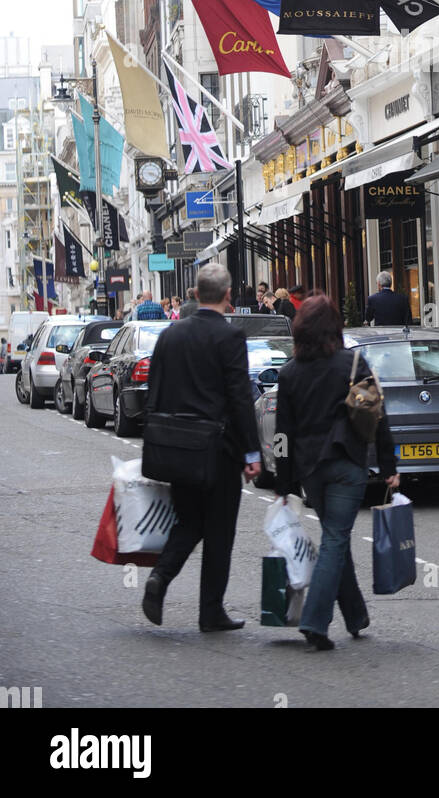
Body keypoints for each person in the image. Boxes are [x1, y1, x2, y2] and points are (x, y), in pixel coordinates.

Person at [142, 263, 262, 631]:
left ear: (194, 293)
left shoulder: (170, 335)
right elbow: (240, 397)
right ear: (228, 296)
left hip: (177, 448)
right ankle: (210, 611)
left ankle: (160, 578)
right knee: (220, 530)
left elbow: (155, 392)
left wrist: (157, 438)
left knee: (190, 521)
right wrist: (252, 452)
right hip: (219, 450)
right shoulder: (230, 338)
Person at [274, 293, 398, 650]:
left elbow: (282, 434)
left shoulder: (289, 373)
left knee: (334, 537)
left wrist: (285, 482)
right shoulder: (354, 364)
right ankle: (315, 623)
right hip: (346, 464)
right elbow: (377, 415)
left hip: (310, 470)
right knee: (335, 540)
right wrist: (389, 465)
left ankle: (356, 615)